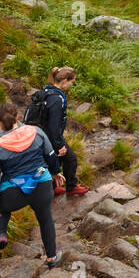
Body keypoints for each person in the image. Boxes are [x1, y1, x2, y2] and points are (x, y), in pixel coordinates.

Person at [0, 101, 64, 267]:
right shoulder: (37, 132)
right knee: (45, 218)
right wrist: (56, 172)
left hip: (13, 192)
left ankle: (1, 235)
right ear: (17, 117)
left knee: (1, 208)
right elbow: (51, 155)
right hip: (42, 185)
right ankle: (51, 257)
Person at [35, 66, 90, 198]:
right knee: (70, 159)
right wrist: (59, 144)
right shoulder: (57, 99)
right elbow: (53, 124)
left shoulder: (46, 90)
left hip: (40, 134)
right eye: (71, 82)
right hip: (50, 136)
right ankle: (71, 187)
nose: (71, 85)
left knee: (53, 161)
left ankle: (52, 187)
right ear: (65, 80)